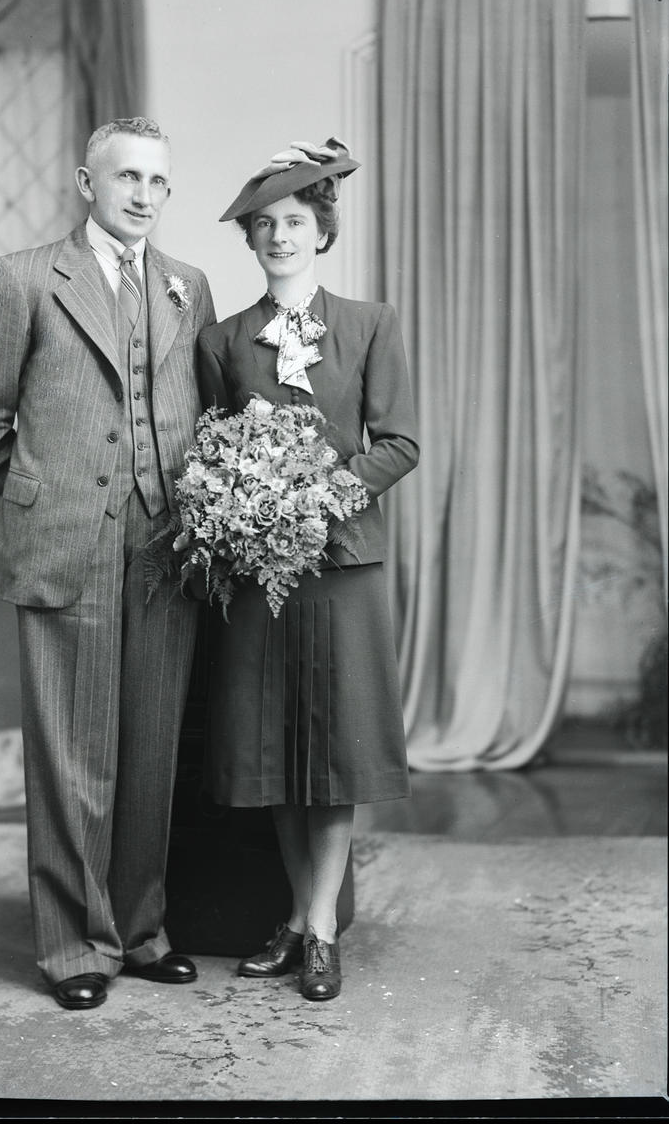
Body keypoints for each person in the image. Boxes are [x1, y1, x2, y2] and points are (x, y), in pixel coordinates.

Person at [0, 117, 216, 1010]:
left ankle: (138, 933)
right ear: (85, 182)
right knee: (71, 756)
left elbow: (198, 415)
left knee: (149, 751)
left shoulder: (188, 286)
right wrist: (40, 491)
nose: (144, 194)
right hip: (68, 540)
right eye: (127, 177)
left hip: (164, 548)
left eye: (158, 181)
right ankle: (73, 950)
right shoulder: (25, 278)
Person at [196, 138, 419, 1001]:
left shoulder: (368, 324)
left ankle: (320, 927)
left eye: (293, 221)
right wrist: (239, 499)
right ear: (250, 242)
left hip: (342, 567)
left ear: (320, 230)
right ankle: (298, 917)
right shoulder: (224, 341)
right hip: (261, 575)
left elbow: (398, 444)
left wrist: (323, 491)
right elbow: (214, 445)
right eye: (264, 226)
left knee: (334, 747)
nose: (279, 237)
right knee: (279, 750)